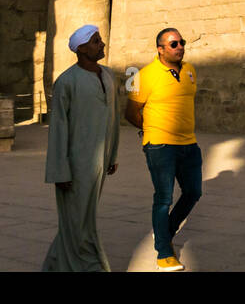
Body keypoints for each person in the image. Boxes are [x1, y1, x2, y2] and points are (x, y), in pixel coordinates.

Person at [42, 24, 119, 272]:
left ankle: (55, 266)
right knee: (77, 221)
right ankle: (89, 265)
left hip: (99, 161)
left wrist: (112, 154)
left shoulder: (108, 75)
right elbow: (58, 129)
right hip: (74, 165)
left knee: (81, 219)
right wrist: (59, 171)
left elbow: (113, 119)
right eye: (96, 41)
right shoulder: (66, 82)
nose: (102, 44)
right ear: (82, 49)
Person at [126, 27, 202, 272]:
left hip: (189, 143)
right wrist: (151, 130)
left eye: (182, 42)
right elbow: (131, 112)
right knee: (164, 198)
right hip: (160, 145)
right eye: (173, 44)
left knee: (193, 192)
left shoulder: (190, 70)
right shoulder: (144, 75)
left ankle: (164, 231)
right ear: (160, 49)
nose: (180, 47)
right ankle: (164, 253)